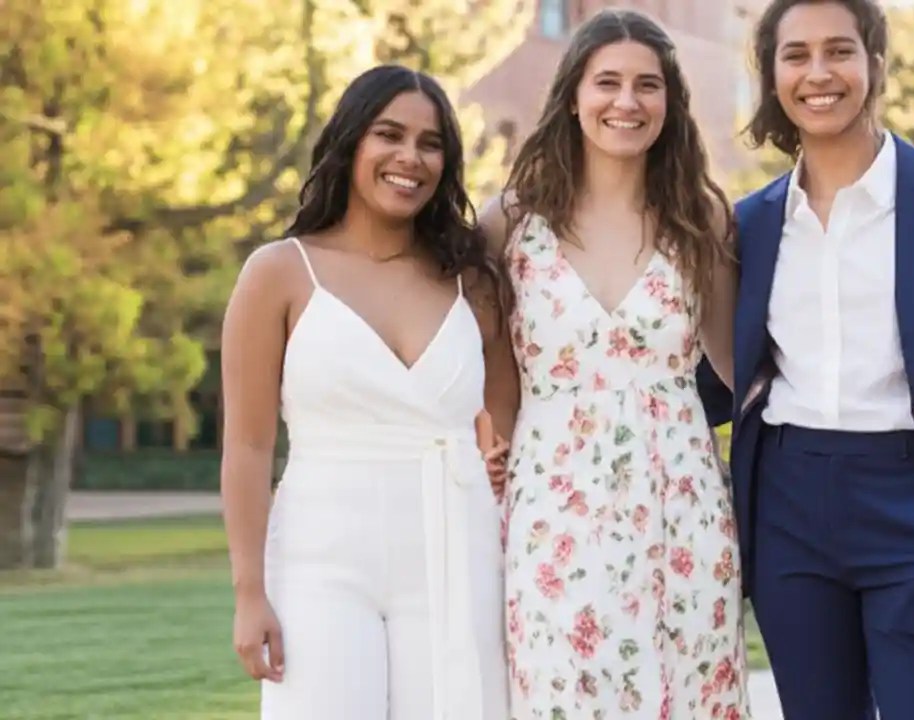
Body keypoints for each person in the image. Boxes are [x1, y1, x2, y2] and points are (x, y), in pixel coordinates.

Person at [696, 1, 914, 718]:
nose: (817, 73)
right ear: (771, 74)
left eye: (839, 51)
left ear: (875, 63)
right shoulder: (749, 223)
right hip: (788, 511)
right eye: (795, 55)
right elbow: (712, 381)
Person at [477, 8, 749, 719]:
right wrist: (485, 440)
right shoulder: (508, 224)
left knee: (688, 692)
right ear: (573, 95)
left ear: (670, 102)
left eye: (647, 86)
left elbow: (737, 369)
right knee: (563, 689)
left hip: (681, 507)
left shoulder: (701, 221)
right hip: (553, 507)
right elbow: (483, 367)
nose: (626, 102)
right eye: (607, 83)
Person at [219, 64, 513, 720]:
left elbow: (510, 406)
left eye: (431, 143)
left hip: (457, 550)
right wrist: (249, 593)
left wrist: (499, 459)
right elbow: (245, 446)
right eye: (389, 134)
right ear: (352, 142)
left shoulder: (473, 282)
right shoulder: (278, 273)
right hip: (320, 561)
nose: (410, 157)